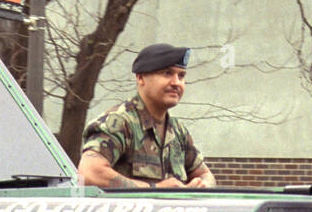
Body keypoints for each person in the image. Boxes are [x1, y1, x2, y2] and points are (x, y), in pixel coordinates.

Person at [77, 44, 216, 190]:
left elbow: (205, 174)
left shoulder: (178, 132)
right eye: (167, 73)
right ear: (141, 77)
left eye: (181, 76)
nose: (176, 83)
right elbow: (89, 173)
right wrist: (155, 188)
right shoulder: (119, 123)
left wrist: (202, 185)